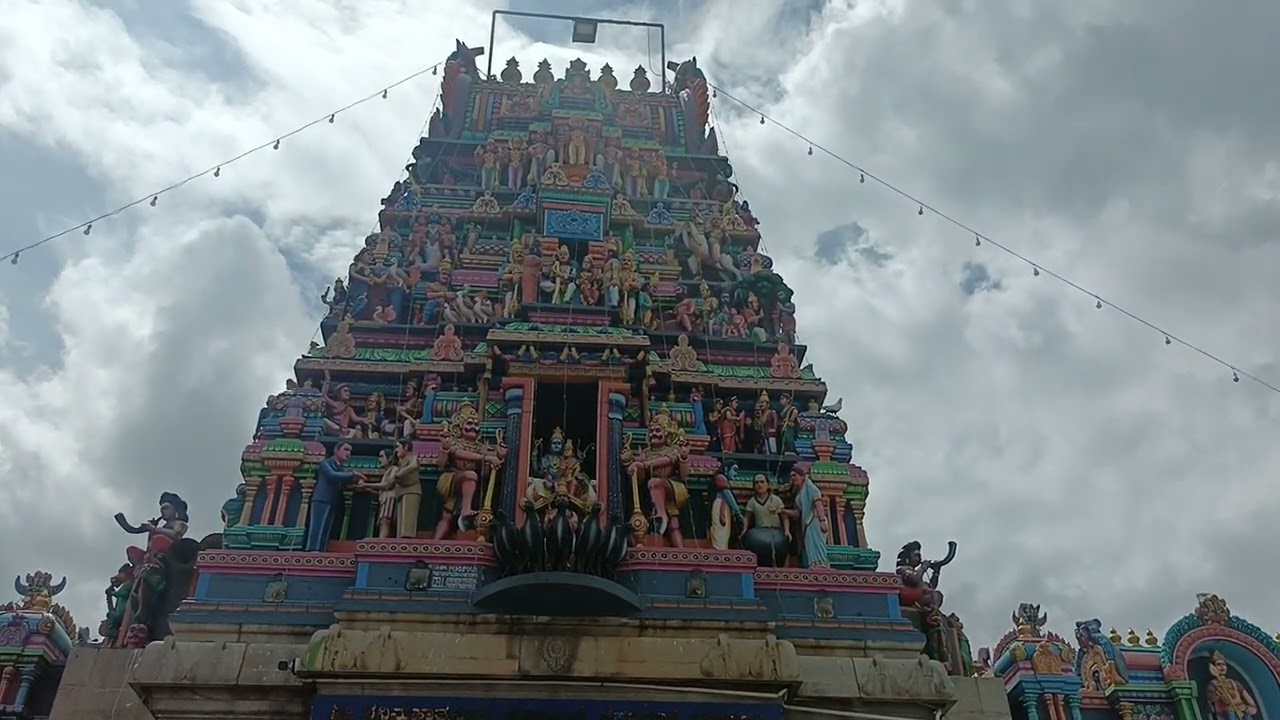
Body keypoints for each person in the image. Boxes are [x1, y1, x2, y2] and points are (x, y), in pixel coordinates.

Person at [306, 443, 365, 551]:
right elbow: (332, 475)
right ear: (336, 450)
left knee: (326, 527)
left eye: (350, 451)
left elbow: (343, 483)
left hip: (332, 500)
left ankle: (321, 549)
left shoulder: (340, 468)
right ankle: (313, 549)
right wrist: (352, 475)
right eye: (346, 449)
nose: (348, 453)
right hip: (322, 499)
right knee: (318, 525)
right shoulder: (326, 463)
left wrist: (357, 484)